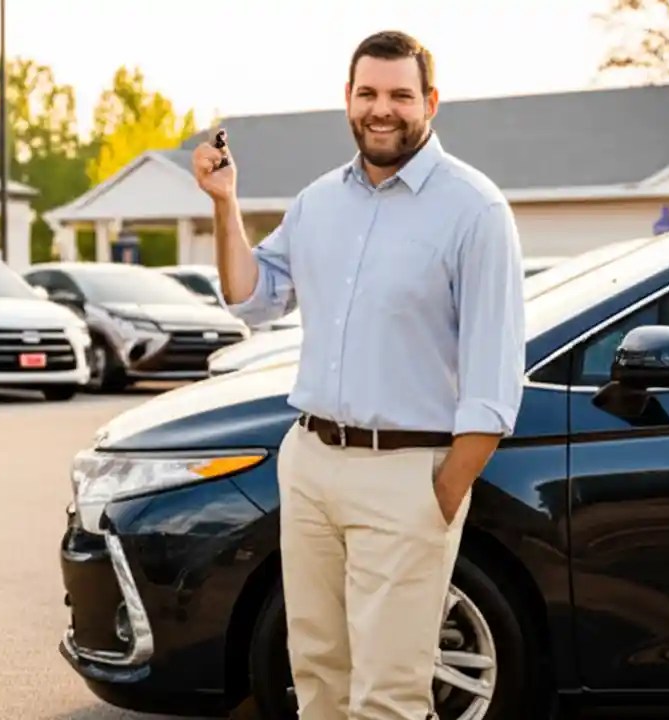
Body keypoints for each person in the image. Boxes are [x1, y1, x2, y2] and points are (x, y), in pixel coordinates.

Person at [190, 30, 525, 720]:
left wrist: (442, 493)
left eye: (401, 95)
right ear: (348, 99)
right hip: (312, 465)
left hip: (408, 477)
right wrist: (225, 204)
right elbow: (252, 296)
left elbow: (494, 383)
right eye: (368, 93)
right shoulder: (320, 202)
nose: (383, 109)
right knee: (317, 680)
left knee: (389, 695)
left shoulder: (475, 209)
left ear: (430, 101)